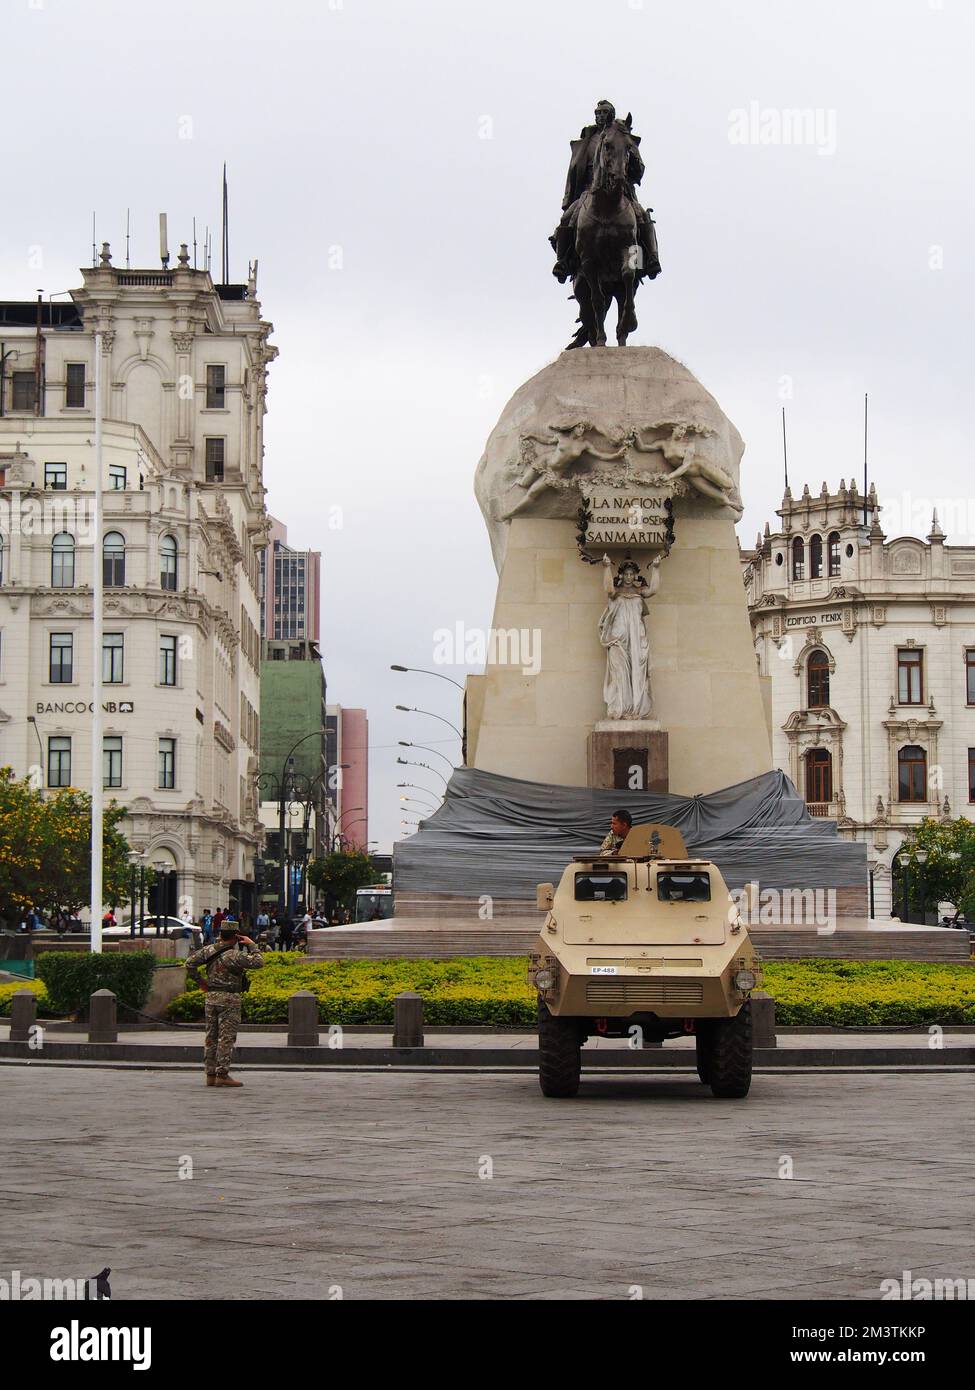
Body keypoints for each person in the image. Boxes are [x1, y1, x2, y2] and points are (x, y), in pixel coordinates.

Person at [185, 923, 264, 1088]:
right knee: (226, 1037)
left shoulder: (209, 950)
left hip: (211, 997)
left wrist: (200, 982)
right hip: (230, 998)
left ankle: (210, 1074)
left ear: (221, 934)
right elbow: (258, 962)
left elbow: (189, 963)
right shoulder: (234, 955)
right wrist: (251, 944)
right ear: (236, 936)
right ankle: (222, 1073)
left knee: (211, 1036)